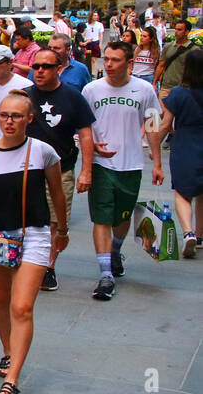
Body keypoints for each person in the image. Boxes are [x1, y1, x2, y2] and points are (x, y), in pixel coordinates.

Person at [0, 90, 68, 394]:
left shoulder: (43, 151)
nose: (9, 121)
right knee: (0, 298)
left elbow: (57, 193)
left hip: (34, 233)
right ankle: (8, 350)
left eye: (17, 116)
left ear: (29, 119)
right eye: (4, 115)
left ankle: (12, 379)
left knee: (21, 307)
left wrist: (60, 229)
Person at [81, 41, 164, 300]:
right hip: (101, 165)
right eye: (106, 59)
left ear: (129, 63)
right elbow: (82, 128)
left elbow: (153, 125)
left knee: (122, 217)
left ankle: (115, 250)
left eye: (115, 60)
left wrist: (158, 163)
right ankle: (106, 275)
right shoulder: (91, 90)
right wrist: (92, 147)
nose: (108, 64)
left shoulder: (145, 90)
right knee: (102, 218)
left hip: (131, 165)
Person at [24, 48, 96, 291]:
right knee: (28, 218)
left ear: (59, 70)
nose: (40, 71)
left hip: (61, 168)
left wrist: (86, 170)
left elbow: (86, 134)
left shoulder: (73, 97)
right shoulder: (23, 97)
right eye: (36, 67)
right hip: (27, 171)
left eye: (46, 67)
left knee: (55, 220)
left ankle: (48, 267)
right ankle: (28, 262)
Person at [157, 50, 203, 258]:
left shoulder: (177, 93)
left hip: (185, 143)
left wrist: (154, 145)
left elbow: (165, 124)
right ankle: (200, 235)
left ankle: (188, 232)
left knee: (183, 193)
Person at [155, 19, 195, 100]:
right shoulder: (168, 46)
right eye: (175, 29)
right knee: (162, 111)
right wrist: (154, 82)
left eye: (179, 29)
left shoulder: (194, 49)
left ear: (187, 32)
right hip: (165, 87)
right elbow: (161, 65)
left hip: (183, 89)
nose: (176, 31)